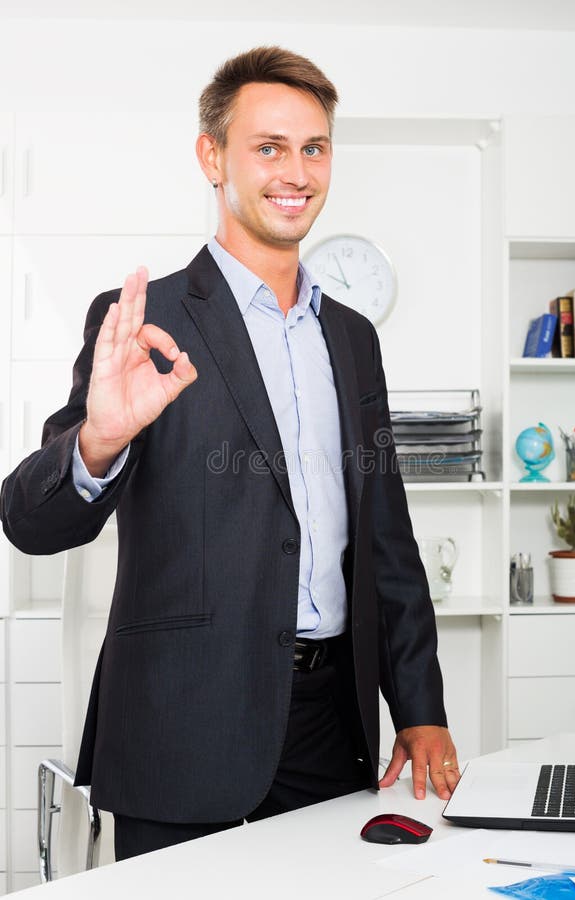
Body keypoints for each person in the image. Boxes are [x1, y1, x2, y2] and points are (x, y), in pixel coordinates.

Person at [0, 46, 459, 861]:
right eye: (269, 146)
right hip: (182, 722)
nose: (297, 170)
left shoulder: (351, 338)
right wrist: (100, 440)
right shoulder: (144, 319)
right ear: (213, 157)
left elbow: (388, 538)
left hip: (331, 725)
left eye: (314, 147)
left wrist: (420, 707)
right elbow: (30, 523)